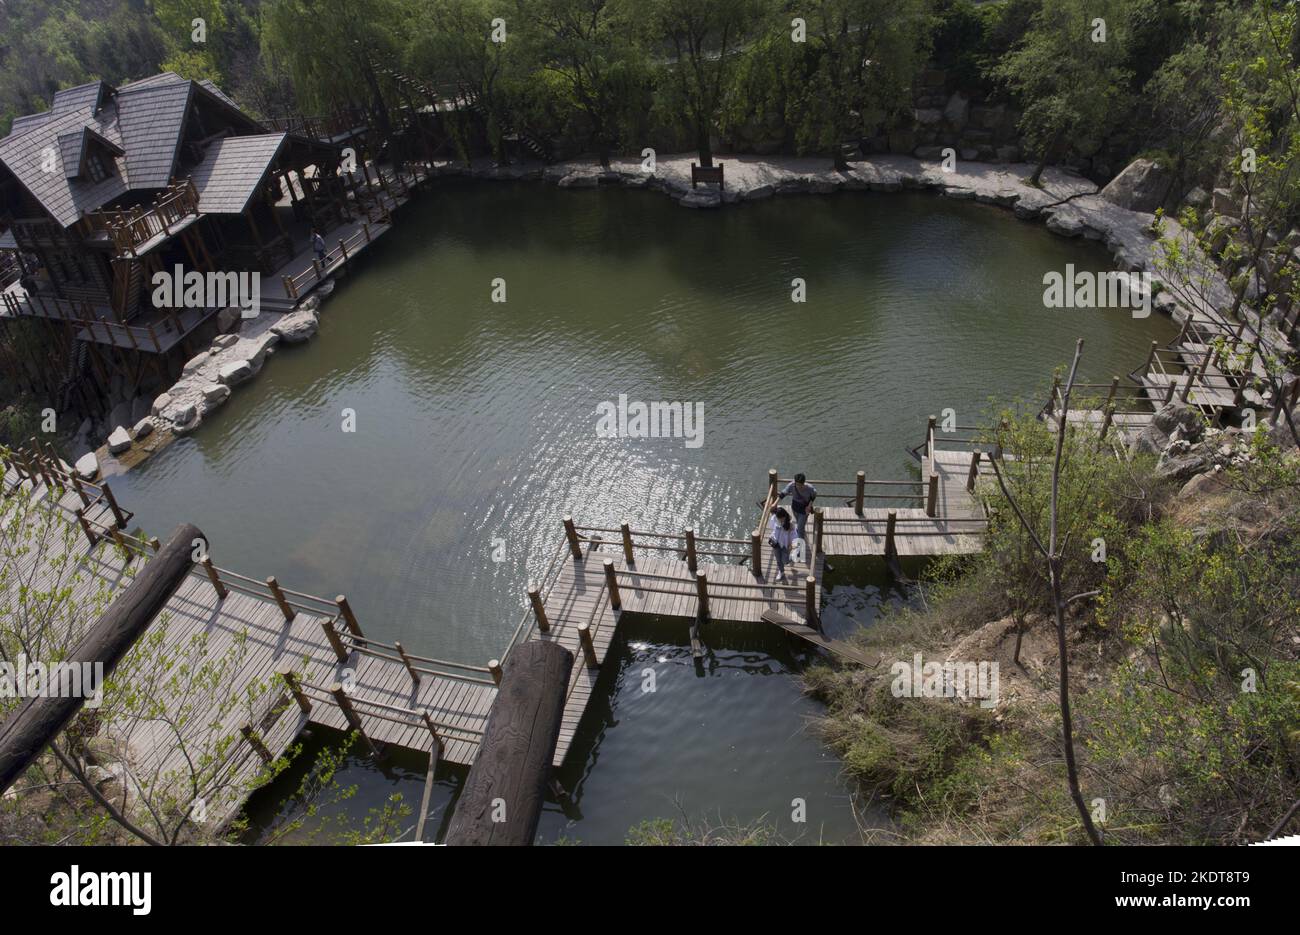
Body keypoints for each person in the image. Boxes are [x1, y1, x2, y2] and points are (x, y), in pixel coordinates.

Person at [775, 473, 817, 541]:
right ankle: (801, 529)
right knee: (799, 523)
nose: (798, 486)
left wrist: (809, 505)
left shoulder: (810, 488)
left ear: (804, 483)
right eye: (797, 484)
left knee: (800, 528)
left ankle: (800, 545)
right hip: (795, 508)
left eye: (800, 485)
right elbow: (783, 494)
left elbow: (814, 495)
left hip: (804, 510)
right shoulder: (792, 485)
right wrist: (774, 504)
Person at [768, 506, 798, 579]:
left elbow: (794, 536)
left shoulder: (790, 525)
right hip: (776, 544)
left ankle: (791, 558)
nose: (780, 520)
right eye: (779, 518)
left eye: (782, 518)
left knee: (785, 561)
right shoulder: (774, 519)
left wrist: (792, 545)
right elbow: (772, 527)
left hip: (785, 545)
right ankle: (781, 572)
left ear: (785, 516)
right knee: (778, 560)